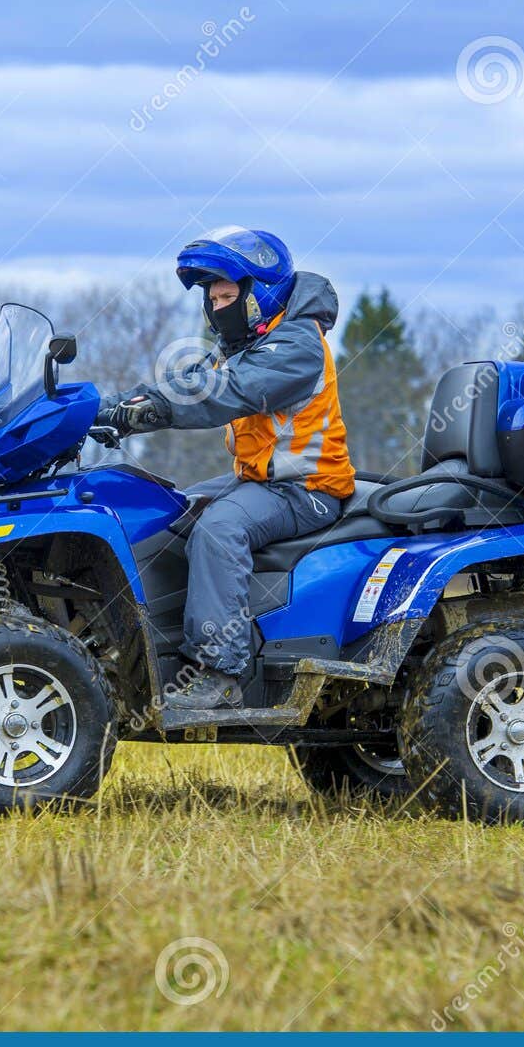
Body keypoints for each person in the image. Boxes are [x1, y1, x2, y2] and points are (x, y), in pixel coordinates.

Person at [100, 226, 355, 710]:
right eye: (212, 298)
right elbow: (187, 383)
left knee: (218, 530)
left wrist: (152, 412)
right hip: (261, 480)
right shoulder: (245, 345)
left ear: (260, 292)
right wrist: (107, 408)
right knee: (167, 511)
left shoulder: (296, 345)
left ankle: (219, 672)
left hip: (309, 488)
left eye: (226, 295)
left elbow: (225, 393)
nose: (218, 307)